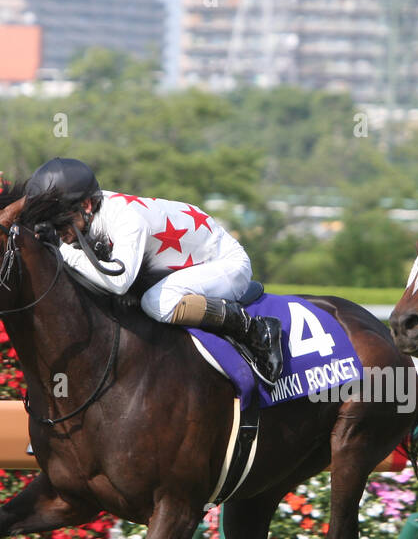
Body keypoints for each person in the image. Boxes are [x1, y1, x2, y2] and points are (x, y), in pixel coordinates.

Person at [23, 157, 283, 384]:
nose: (58, 232)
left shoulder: (127, 219)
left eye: (59, 223)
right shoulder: (87, 210)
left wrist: (62, 250)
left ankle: (252, 328)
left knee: (157, 302)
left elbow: (118, 282)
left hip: (226, 264)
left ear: (87, 206)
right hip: (184, 262)